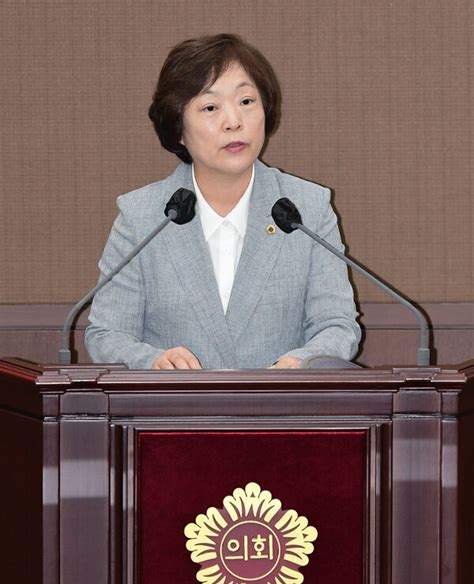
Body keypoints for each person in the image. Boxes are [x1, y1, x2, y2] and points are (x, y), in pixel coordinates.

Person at [85, 33, 360, 370]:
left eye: (246, 101)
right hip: (171, 404)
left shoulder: (306, 208)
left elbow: (337, 325)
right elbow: (107, 334)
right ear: (178, 128)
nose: (234, 121)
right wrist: (153, 362)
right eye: (211, 107)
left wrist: (300, 364)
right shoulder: (141, 217)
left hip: (281, 403)